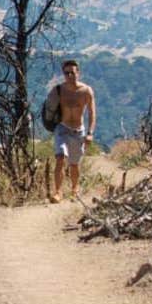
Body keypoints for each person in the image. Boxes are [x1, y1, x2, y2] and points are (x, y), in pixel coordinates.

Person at [48, 59, 95, 203]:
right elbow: (49, 110)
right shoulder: (58, 90)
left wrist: (90, 133)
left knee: (74, 164)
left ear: (78, 73)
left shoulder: (86, 91)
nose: (69, 76)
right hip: (62, 128)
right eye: (66, 73)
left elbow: (92, 113)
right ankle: (58, 192)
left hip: (78, 131)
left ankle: (75, 190)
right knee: (60, 158)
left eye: (72, 73)